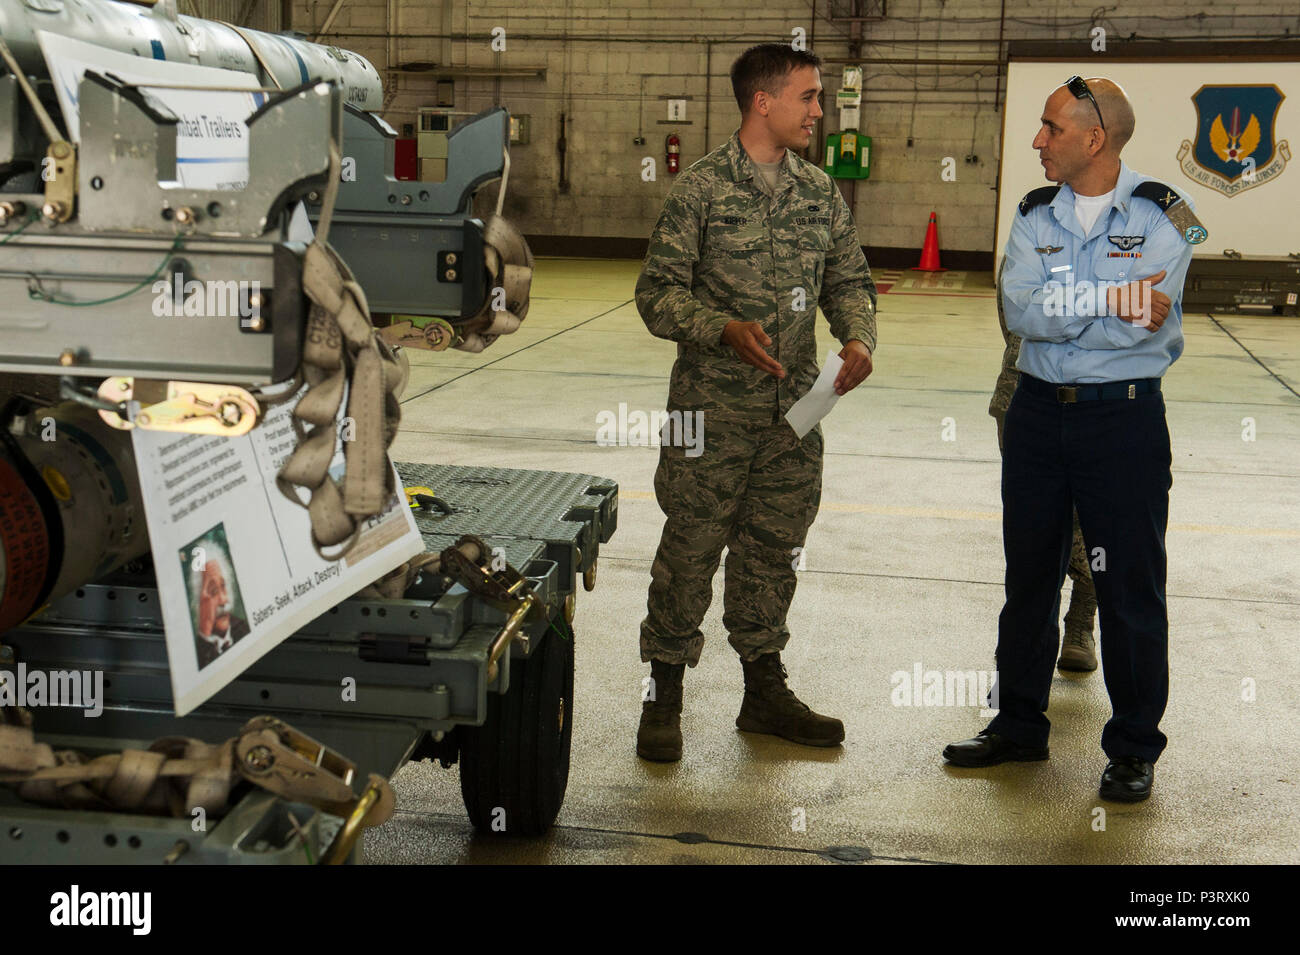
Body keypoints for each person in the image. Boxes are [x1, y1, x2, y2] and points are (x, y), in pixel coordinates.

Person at [944, 77, 1205, 802]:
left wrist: (1077, 305)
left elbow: (1145, 319)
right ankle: (1019, 725)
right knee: (1027, 578)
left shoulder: (1170, 214)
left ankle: (1131, 747)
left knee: (1129, 587)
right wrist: (1109, 296)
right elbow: (1023, 312)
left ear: (1094, 138)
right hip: (1035, 413)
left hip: (1123, 420)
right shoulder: (1032, 213)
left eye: (1050, 127)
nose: (1037, 140)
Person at [634, 43, 877, 762]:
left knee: (774, 549)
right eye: (808, 96)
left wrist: (858, 336)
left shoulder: (818, 190)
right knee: (691, 545)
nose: (819, 110)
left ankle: (763, 691)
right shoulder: (700, 191)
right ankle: (663, 693)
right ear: (762, 102)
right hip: (708, 413)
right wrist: (723, 329)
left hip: (796, 416)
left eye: (820, 96)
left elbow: (850, 278)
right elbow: (656, 296)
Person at [989, 266, 1098, 672]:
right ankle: (1026, 646)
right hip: (1023, 391)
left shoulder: (1140, 223)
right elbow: (1012, 311)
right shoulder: (1035, 221)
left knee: (1094, 519)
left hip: (1105, 396)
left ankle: (1081, 620)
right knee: (1033, 525)